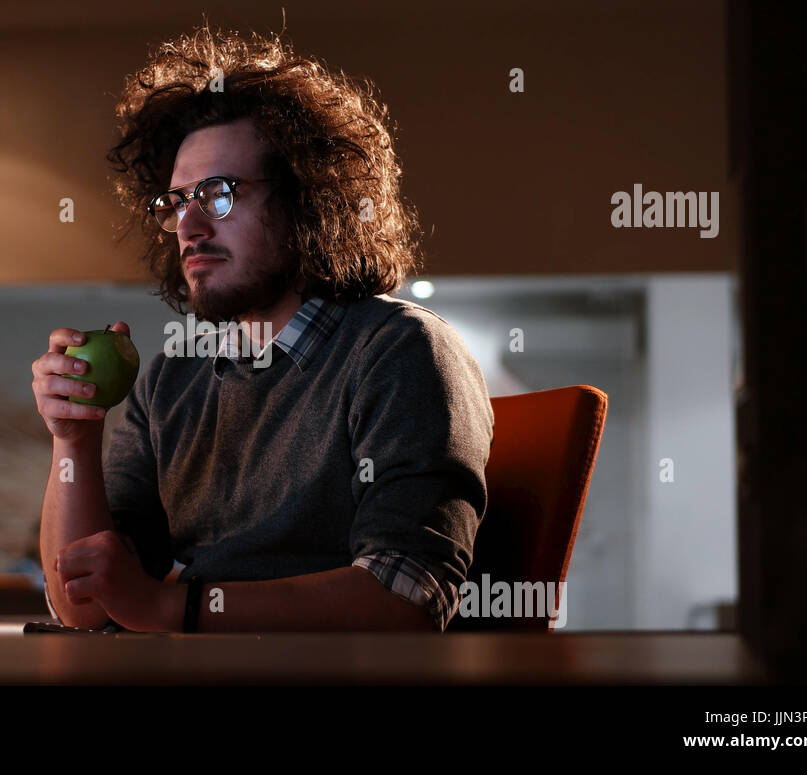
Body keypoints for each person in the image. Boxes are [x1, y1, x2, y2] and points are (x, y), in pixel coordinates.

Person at [30, 25, 493, 633]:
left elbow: (405, 596)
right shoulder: (173, 378)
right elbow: (86, 605)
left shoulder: (399, 351)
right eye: (175, 202)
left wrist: (171, 608)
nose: (188, 225)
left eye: (218, 193)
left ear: (307, 200)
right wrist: (74, 438)